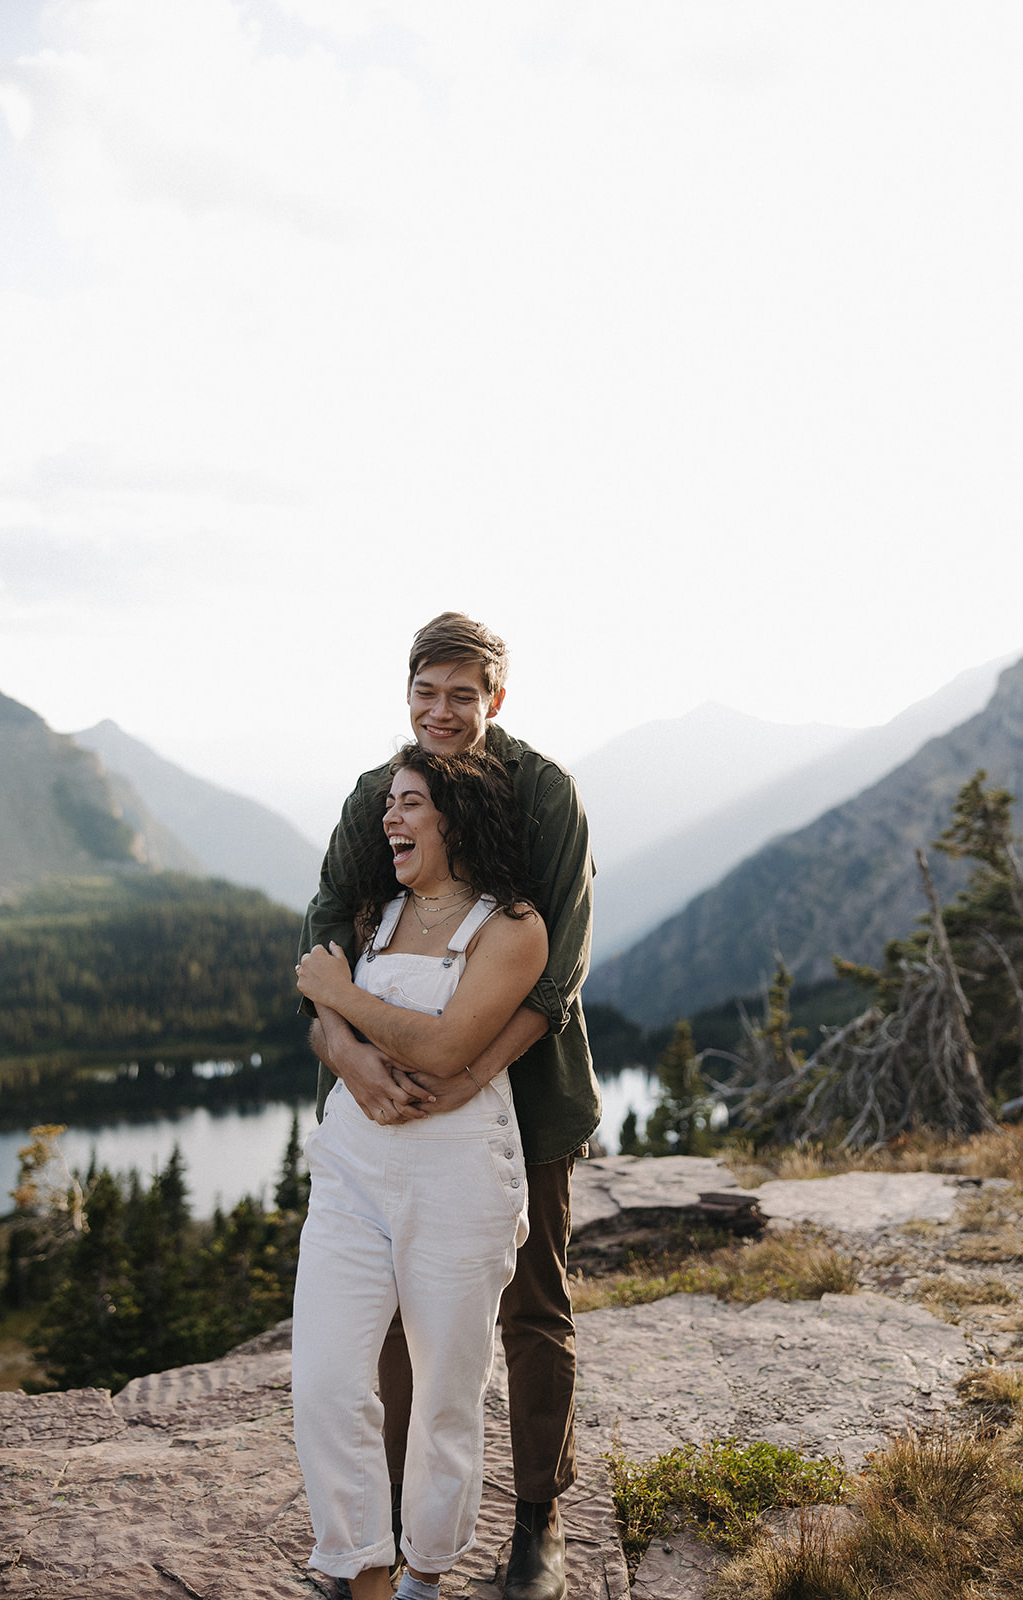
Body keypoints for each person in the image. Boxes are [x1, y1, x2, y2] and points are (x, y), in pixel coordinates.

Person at [299, 612, 601, 1600]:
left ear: (492, 700)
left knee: (531, 1307)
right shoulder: (377, 793)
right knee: (384, 1330)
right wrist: (348, 1057)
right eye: (425, 690)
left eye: (460, 693)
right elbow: (323, 943)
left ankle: (535, 1518)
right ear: (407, 692)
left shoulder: (543, 791)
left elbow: (554, 967)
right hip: (383, 1106)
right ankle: (387, 1542)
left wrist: (469, 1073)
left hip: (527, 1088)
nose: (440, 710)